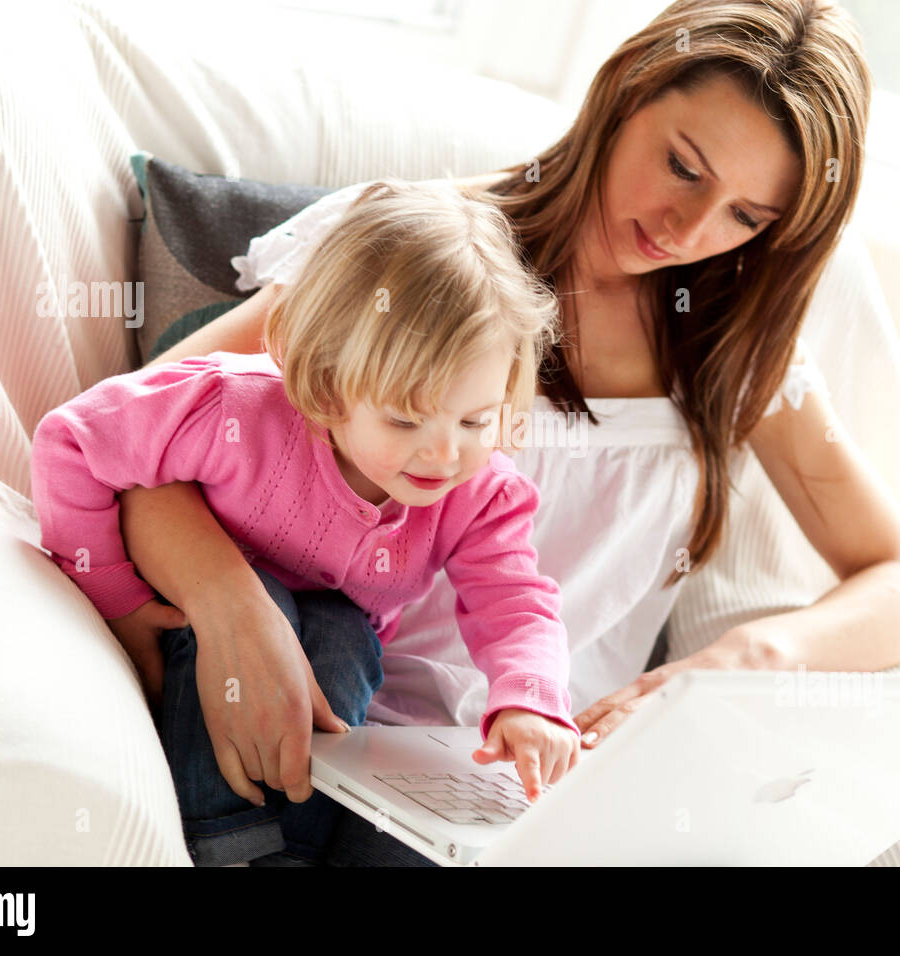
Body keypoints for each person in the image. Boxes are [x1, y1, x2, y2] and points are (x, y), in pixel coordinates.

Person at [114, 0, 900, 866]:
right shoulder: (415, 254)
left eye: (746, 216)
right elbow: (135, 433)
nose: (688, 231)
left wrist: (747, 658)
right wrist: (230, 605)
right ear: (627, 90)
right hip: (334, 717)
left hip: (528, 785)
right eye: (683, 166)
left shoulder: (731, 352)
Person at [30, 179, 579, 866]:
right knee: (278, 617)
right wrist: (118, 599)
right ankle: (224, 843)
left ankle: (295, 846)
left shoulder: (482, 490)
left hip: (338, 633)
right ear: (326, 382)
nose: (445, 453)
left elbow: (516, 601)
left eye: (474, 420)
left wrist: (530, 701)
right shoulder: (235, 408)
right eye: (405, 419)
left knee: (341, 644)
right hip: (203, 610)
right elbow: (70, 441)